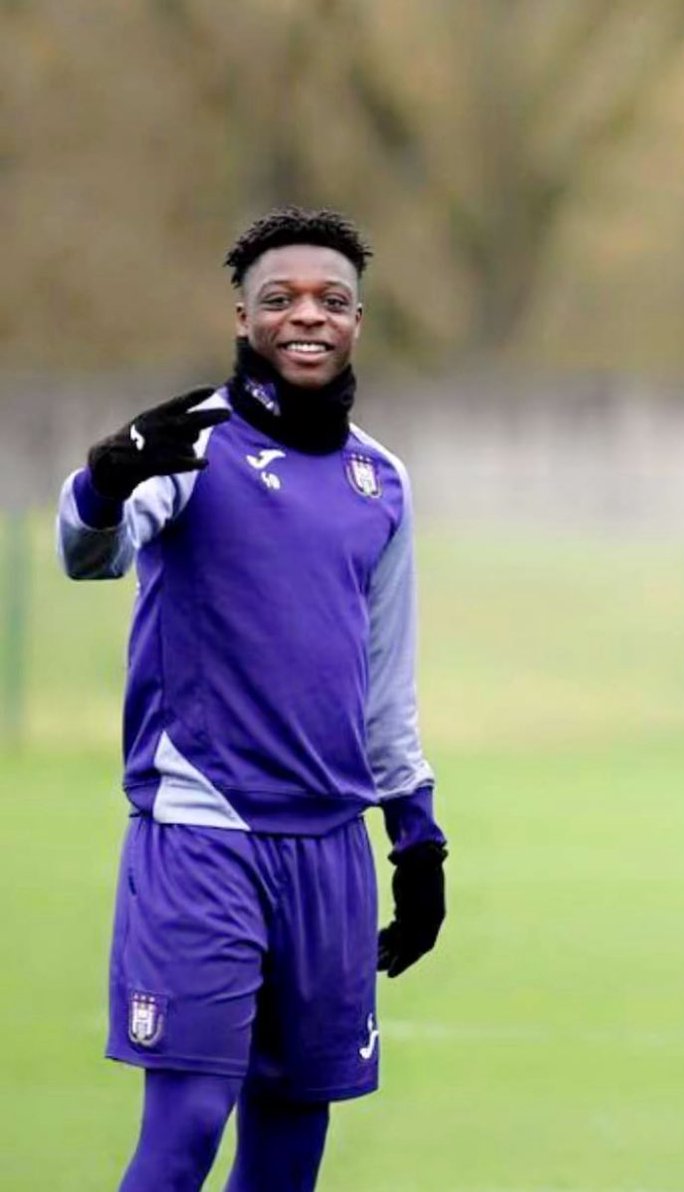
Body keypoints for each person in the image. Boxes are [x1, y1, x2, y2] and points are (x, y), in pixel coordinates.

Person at [56, 207, 447, 1192]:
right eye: (281, 299)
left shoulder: (381, 480)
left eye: (331, 300)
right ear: (242, 317)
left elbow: (385, 686)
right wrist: (105, 477)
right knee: (188, 1124)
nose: (307, 316)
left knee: (289, 1148)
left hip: (330, 851)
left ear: (358, 320)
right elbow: (89, 553)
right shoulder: (188, 446)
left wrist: (417, 840)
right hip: (203, 838)